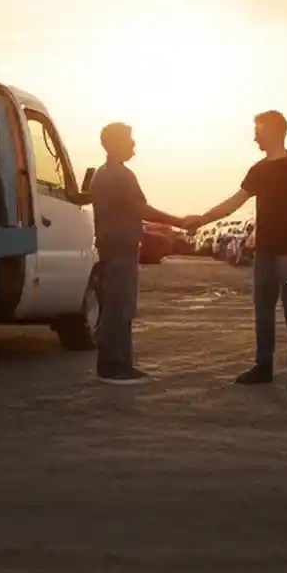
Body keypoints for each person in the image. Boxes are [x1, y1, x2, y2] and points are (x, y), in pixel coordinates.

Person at [185, 111, 287, 391]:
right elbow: (233, 203)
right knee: (263, 310)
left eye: (259, 130)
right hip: (265, 251)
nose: (255, 136)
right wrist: (201, 220)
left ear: (274, 130)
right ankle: (263, 367)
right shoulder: (258, 170)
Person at [89, 122, 187, 385]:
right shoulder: (121, 176)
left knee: (114, 305)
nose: (133, 145)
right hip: (120, 248)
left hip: (112, 246)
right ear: (114, 143)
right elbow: (140, 209)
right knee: (119, 307)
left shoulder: (103, 174)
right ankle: (115, 367)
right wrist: (180, 221)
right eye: (128, 139)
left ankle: (115, 364)